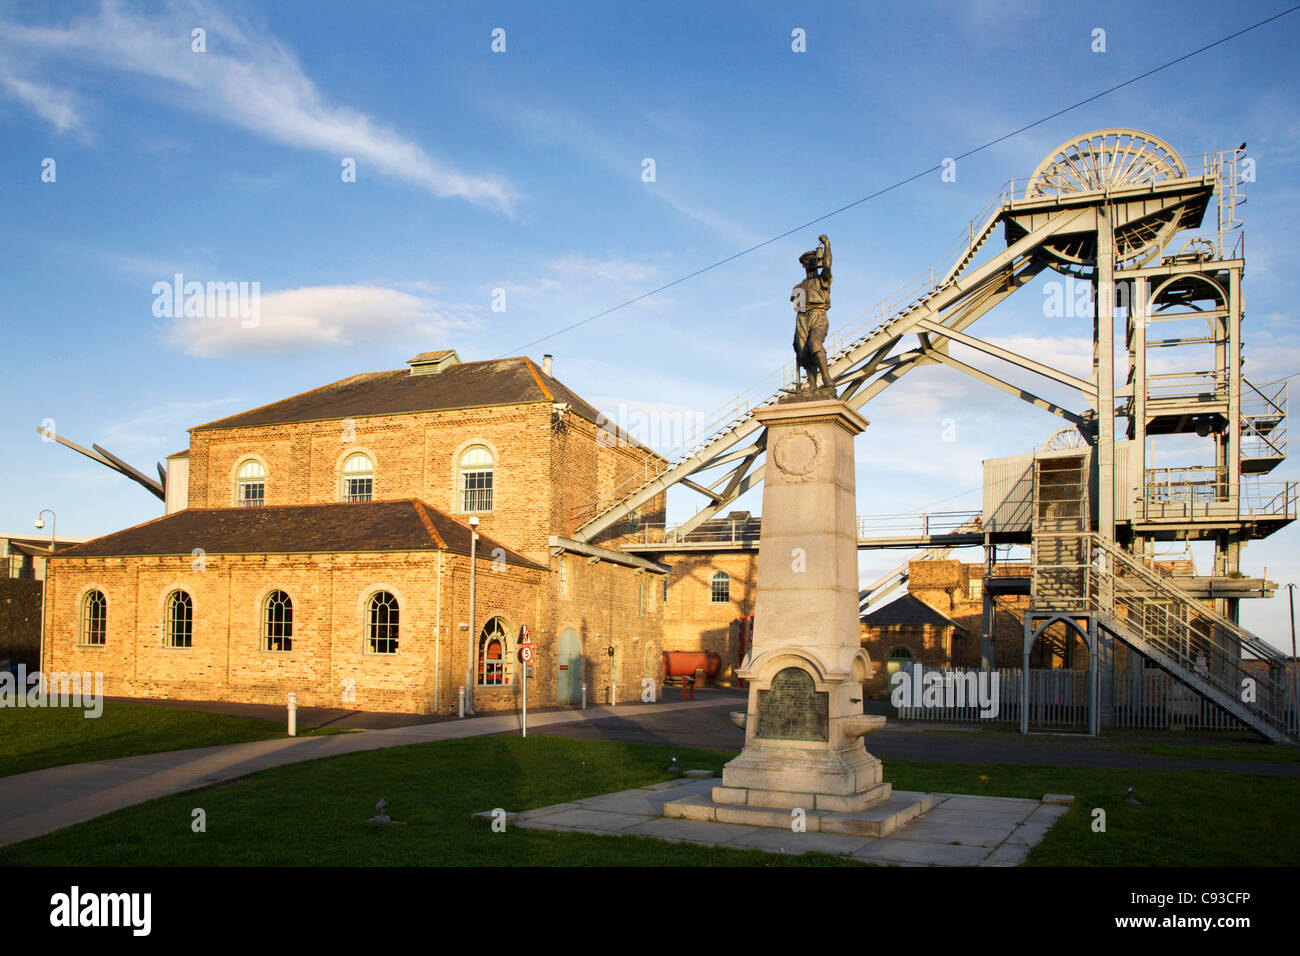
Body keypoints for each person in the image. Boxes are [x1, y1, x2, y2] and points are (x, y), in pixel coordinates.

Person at [792, 234, 833, 391]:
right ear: (803, 265)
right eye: (807, 261)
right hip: (802, 317)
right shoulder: (798, 286)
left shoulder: (823, 279)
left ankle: (828, 380)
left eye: (813, 259)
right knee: (803, 351)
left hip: (818, 314)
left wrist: (827, 245)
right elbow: (796, 308)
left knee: (815, 344)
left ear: (818, 262)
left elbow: (828, 266)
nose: (811, 262)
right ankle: (813, 384)